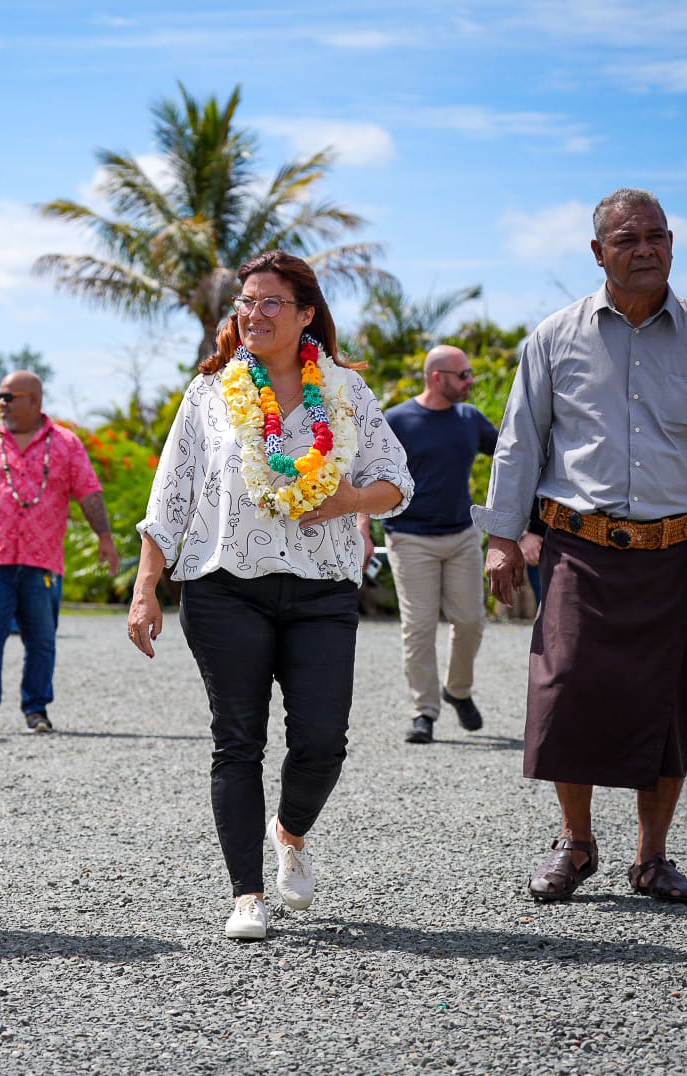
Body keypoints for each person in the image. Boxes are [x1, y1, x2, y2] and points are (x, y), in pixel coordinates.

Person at [476, 188, 687, 905]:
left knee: (665, 707)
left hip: (675, 553)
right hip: (578, 550)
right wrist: (502, 537)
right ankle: (577, 843)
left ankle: (653, 858)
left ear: (673, 243)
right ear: (599, 253)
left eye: (656, 236)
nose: (645, 249)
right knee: (565, 695)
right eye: (628, 240)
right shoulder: (554, 336)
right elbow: (518, 445)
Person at [129, 250, 414, 940]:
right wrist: (145, 589)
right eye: (245, 303)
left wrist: (350, 496)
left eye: (269, 303)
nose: (252, 314)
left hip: (322, 591)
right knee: (237, 741)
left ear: (306, 314)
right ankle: (246, 895)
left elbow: (397, 484)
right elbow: (171, 495)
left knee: (322, 742)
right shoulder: (211, 393)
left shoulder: (346, 389)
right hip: (224, 586)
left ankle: (289, 830)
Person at [0, 370, 119, 734]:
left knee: (41, 639)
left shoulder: (66, 443)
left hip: (43, 561)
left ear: (34, 400)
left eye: (8, 397)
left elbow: (88, 491)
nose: (0, 403)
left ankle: (36, 710)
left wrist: (105, 536)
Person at [372, 346, 497, 744]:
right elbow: (369, 472)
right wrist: (361, 526)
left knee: (471, 622)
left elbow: (511, 457)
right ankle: (423, 711)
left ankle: (457, 691)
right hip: (410, 537)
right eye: (462, 374)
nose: (470, 380)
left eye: (470, 373)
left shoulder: (470, 419)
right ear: (436, 377)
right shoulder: (398, 421)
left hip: (462, 535)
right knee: (420, 627)